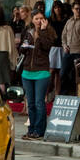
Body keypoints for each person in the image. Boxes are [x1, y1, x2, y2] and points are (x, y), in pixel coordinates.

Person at [20, 10, 58, 139]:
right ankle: (31, 129)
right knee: (30, 103)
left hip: (41, 71)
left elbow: (47, 47)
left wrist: (42, 30)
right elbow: (21, 49)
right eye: (36, 18)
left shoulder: (48, 33)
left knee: (39, 102)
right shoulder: (28, 32)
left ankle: (39, 130)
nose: (39, 21)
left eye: (42, 18)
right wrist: (25, 46)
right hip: (27, 72)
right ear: (32, 20)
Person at [61, 2, 80, 93]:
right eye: (76, 8)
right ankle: (64, 95)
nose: (78, 10)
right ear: (72, 9)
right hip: (68, 52)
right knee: (63, 74)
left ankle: (76, 95)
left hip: (79, 52)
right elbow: (63, 36)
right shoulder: (69, 21)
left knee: (75, 76)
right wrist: (64, 45)